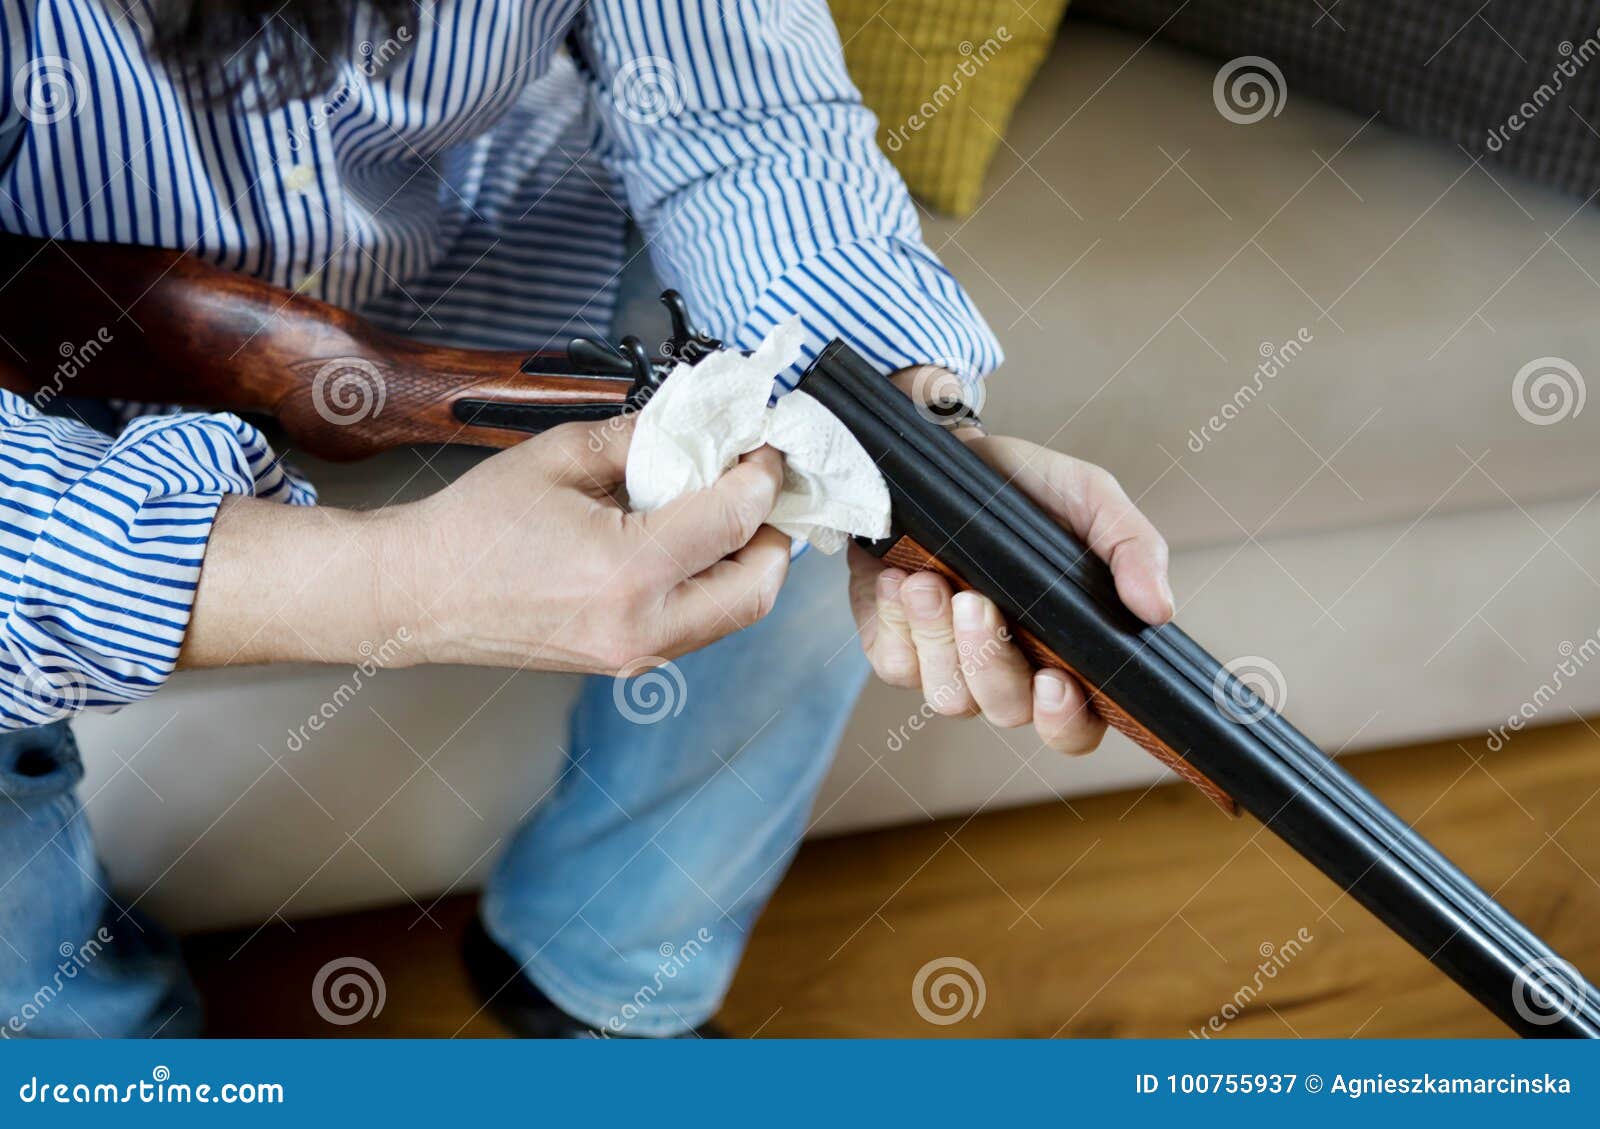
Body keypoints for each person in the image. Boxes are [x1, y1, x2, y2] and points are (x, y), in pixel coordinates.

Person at [0, 0, 1172, 1037]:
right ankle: (86, 1044)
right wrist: (390, 585)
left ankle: (604, 982)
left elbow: (742, 124)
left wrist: (920, 440)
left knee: (817, 470)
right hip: (44, 388)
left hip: (490, 271)